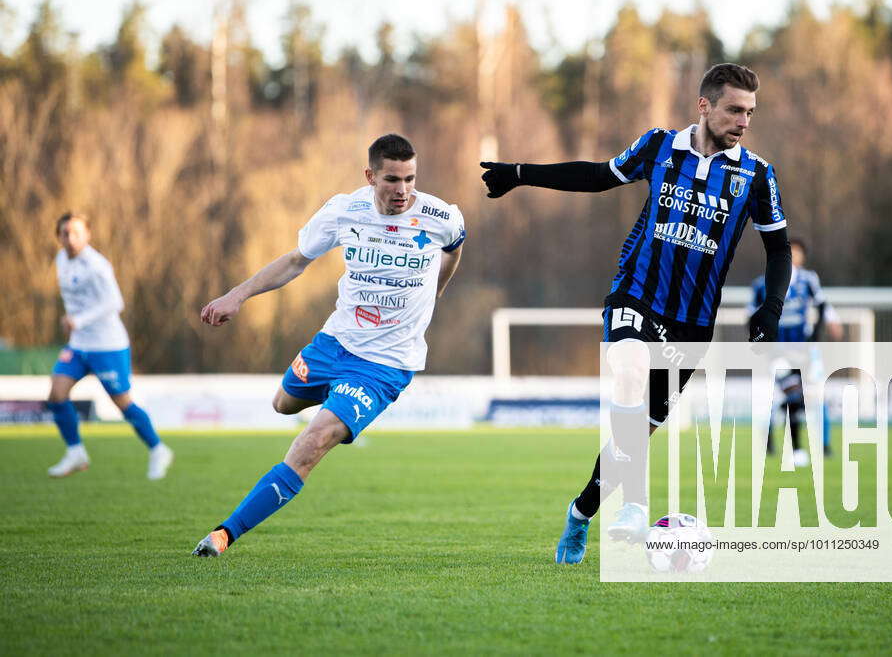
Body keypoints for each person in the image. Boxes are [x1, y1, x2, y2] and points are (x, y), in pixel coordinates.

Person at [481, 63, 792, 564]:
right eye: (734, 109)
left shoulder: (757, 174)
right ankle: (637, 505)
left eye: (751, 112)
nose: (744, 121)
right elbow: (597, 177)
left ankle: (580, 513)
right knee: (629, 370)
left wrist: (771, 307)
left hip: (692, 325)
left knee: (631, 440)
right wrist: (521, 174)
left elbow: (778, 250)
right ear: (704, 105)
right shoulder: (659, 146)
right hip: (636, 295)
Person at [192, 134, 465, 557]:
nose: (403, 190)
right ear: (370, 175)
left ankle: (223, 535)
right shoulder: (344, 210)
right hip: (334, 343)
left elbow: (455, 246)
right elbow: (295, 261)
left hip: (383, 366)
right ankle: (329, 395)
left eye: (410, 179)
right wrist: (236, 296)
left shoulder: (438, 216)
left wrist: (438, 290)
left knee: (312, 441)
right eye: (392, 179)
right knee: (282, 404)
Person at [46, 213, 173, 480]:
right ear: (59, 236)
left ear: (87, 235)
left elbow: (115, 303)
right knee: (57, 394)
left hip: (107, 345)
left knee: (122, 403)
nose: (70, 239)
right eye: (65, 233)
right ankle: (75, 451)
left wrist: (77, 320)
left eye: (76, 233)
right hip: (79, 344)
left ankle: (158, 448)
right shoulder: (61, 260)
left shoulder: (97, 265)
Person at [749, 237, 841, 465]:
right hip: (778, 351)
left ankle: (822, 444)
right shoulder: (763, 283)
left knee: (810, 396)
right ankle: (788, 446)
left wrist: (816, 337)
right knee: (790, 394)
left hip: (803, 351)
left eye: (797, 253)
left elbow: (822, 307)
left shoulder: (809, 280)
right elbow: (752, 316)